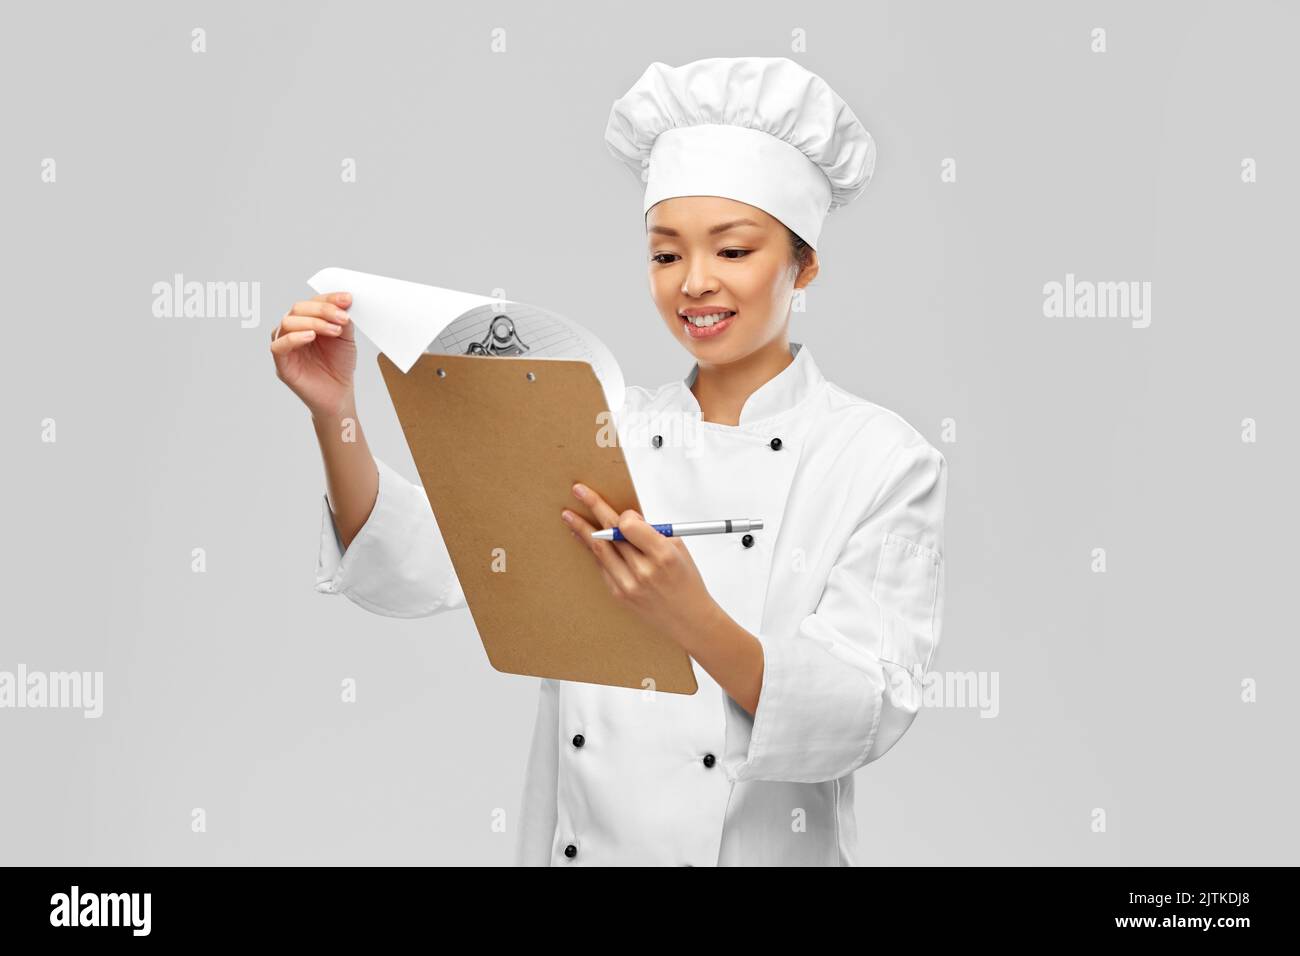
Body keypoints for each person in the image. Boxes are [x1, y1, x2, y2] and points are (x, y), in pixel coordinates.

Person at [270, 56, 948, 866]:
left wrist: (686, 616)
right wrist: (336, 415)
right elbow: (428, 561)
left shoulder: (878, 458)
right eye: (666, 256)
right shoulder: (603, 427)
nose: (694, 284)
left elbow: (864, 708)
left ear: (805, 265)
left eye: (732, 251)